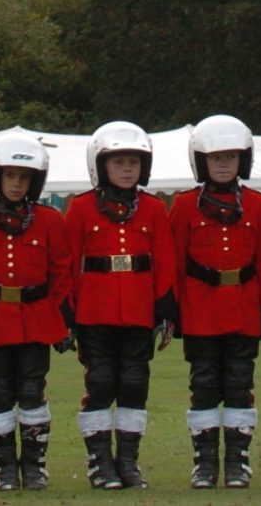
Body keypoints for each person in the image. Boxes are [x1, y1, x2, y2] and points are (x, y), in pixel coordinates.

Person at [167, 114, 261, 490]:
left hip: (244, 308)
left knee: (239, 384)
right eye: (216, 158)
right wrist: (173, 310)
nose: (224, 164)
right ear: (202, 162)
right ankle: (205, 462)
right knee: (204, 385)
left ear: (243, 160)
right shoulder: (183, 206)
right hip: (200, 310)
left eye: (231, 157)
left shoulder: (258, 205)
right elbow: (176, 262)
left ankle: (237, 462)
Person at [66, 121, 176, 490]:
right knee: (100, 382)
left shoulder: (154, 208)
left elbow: (164, 260)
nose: (127, 169)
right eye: (118, 163)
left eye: (133, 163)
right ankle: (100, 464)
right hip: (95, 310)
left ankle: (127, 463)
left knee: (133, 383)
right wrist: (67, 310)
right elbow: (68, 262)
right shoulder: (80, 208)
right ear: (101, 167)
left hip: (138, 309)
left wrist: (165, 307)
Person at [0, 134, 72, 492]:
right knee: (1, 392)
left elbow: (61, 272)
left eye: (23, 177)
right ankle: (5, 467)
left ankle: (34, 466)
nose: (17, 184)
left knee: (33, 391)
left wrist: (53, 315)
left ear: (33, 181)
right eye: (10, 176)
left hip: (36, 317)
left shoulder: (50, 221)